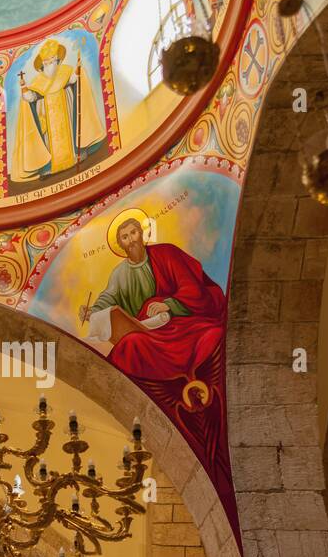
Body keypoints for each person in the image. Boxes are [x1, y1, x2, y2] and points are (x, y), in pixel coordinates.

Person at [80, 213, 225, 384]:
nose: (131, 240)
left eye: (133, 233)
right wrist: (93, 312)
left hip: (178, 323)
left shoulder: (166, 253)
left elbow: (192, 288)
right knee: (130, 344)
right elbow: (108, 297)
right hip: (146, 330)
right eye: (125, 237)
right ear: (120, 245)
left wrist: (169, 304)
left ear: (142, 234)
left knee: (212, 334)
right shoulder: (120, 274)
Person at [12, 38, 105, 181]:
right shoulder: (38, 82)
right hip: (48, 116)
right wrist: (24, 88)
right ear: (42, 65)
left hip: (66, 108)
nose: (50, 65)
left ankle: (76, 155)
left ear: (58, 60)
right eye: (47, 62)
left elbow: (73, 80)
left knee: (70, 129)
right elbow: (31, 98)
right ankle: (49, 167)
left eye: (52, 61)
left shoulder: (65, 71)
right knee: (49, 139)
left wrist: (77, 71)